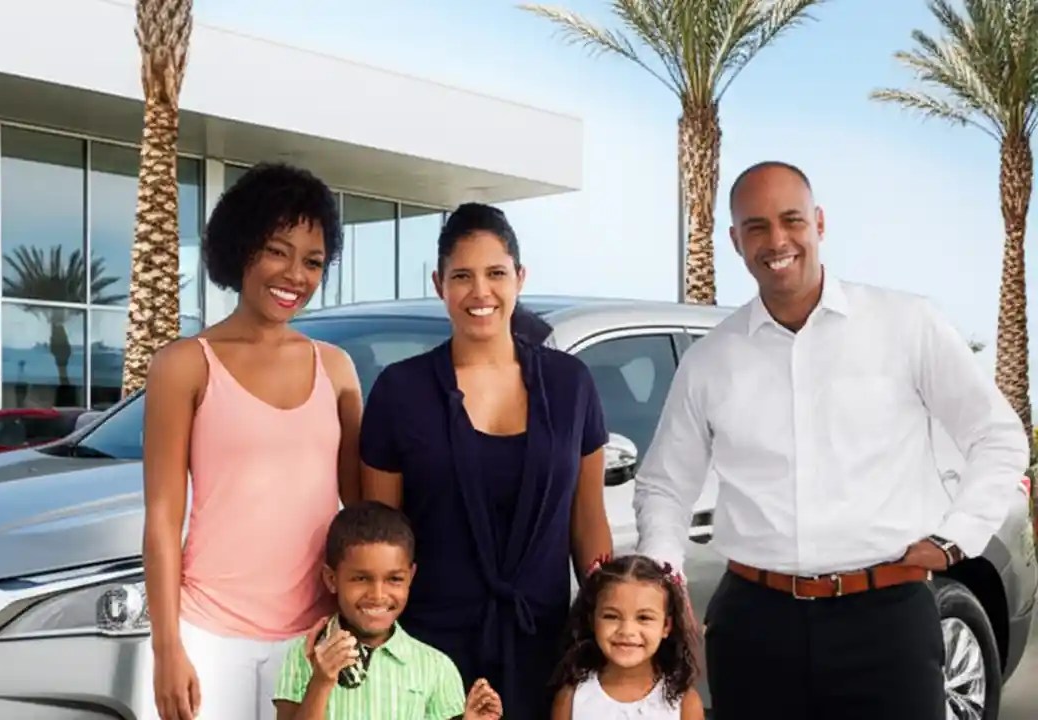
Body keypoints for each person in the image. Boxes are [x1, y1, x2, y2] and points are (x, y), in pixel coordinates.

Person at [632, 160, 1030, 719]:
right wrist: (667, 580)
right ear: (734, 240)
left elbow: (999, 438)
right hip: (754, 625)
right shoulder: (710, 361)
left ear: (819, 223)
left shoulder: (906, 325)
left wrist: (954, 538)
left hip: (887, 620)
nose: (776, 240)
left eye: (791, 219)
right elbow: (662, 487)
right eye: (756, 226)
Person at [359, 202, 613, 718]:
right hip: (426, 659)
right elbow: (378, 539)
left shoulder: (570, 385)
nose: (481, 292)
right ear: (439, 283)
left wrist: (611, 629)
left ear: (520, 278)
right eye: (462, 276)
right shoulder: (399, 391)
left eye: (496, 273)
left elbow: (588, 523)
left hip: (545, 646)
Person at [140, 162, 365, 720]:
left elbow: (362, 517)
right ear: (240, 248)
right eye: (277, 251)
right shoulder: (184, 365)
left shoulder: (336, 370)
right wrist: (167, 647)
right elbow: (163, 518)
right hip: (208, 635)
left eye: (313, 262)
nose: (295, 275)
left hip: (313, 640)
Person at [273, 501, 504, 720]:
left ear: (410, 577)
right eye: (361, 578)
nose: (378, 595)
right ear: (332, 579)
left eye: (394, 579)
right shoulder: (306, 654)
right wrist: (321, 682)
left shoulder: (436, 667)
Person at [549, 554, 703, 720]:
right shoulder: (571, 699)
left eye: (644, 618)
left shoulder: (684, 703)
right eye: (611, 616)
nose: (627, 630)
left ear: (666, 626)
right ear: (592, 620)